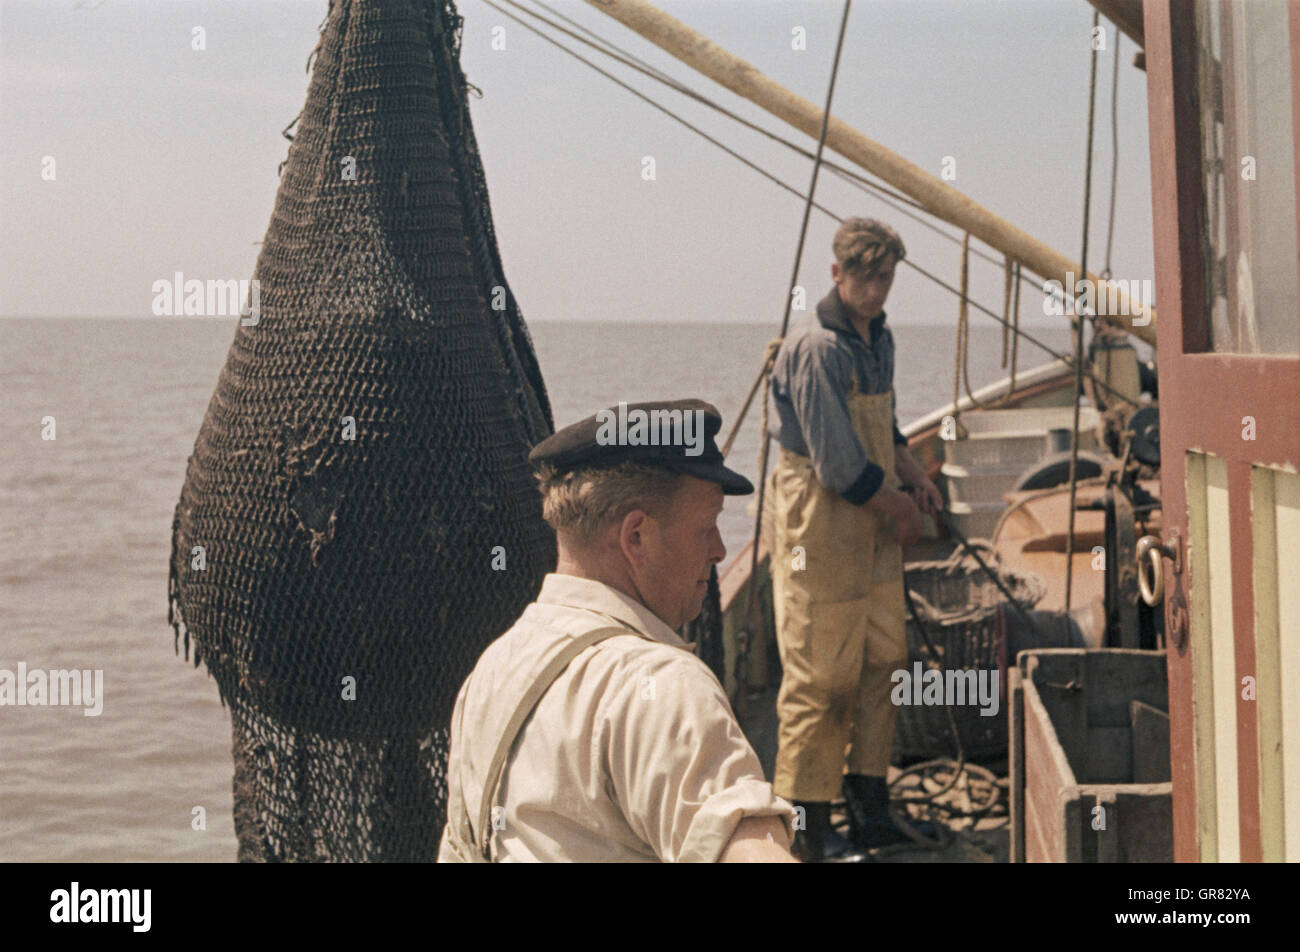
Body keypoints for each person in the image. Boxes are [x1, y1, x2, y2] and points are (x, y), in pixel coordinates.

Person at [438, 399, 798, 863]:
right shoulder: (661, 685)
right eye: (706, 527)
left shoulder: (492, 669)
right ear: (637, 537)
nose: (720, 550)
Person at [766, 218, 942, 862]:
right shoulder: (817, 350)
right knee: (820, 679)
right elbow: (838, 465)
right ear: (837, 273)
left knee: (882, 662)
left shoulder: (879, 340)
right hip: (823, 524)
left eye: (886, 278)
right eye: (863, 276)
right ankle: (807, 831)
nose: (875, 290)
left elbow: (886, 427)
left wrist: (916, 474)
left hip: (870, 524)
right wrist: (899, 508)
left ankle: (871, 812)